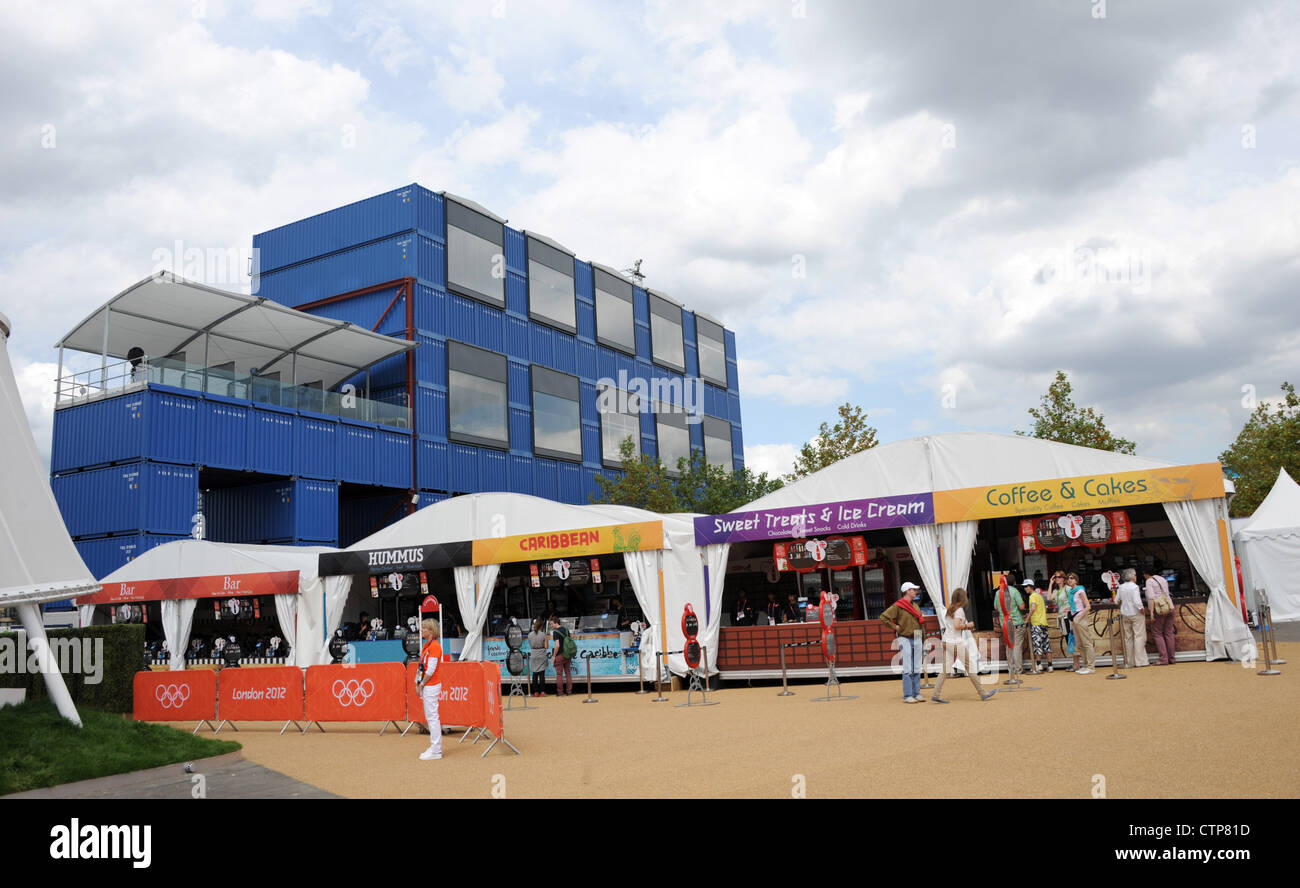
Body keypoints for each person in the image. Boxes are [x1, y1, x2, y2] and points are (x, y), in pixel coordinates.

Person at [931, 588, 996, 703]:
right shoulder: (959, 610)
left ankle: (936, 694)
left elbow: (952, 625)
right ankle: (982, 692)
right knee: (970, 667)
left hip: (947, 640)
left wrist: (966, 626)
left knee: (945, 669)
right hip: (956, 642)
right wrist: (968, 625)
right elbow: (957, 625)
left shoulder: (950, 609)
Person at [880, 582, 926, 703]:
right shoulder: (898, 606)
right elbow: (884, 617)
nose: (915, 592)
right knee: (908, 668)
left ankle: (916, 693)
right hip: (905, 637)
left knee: (916, 667)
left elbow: (921, 624)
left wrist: (923, 639)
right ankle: (908, 695)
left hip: (916, 637)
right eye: (913, 590)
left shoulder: (915, 605)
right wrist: (895, 627)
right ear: (907, 591)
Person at [416, 617, 443, 761]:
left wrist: (421, 684)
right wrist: (419, 683)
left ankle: (436, 749)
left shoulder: (434, 646)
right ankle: (434, 747)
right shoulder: (428, 645)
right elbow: (423, 667)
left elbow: (431, 669)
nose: (422, 630)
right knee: (431, 717)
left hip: (431, 685)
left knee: (432, 717)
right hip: (429, 685)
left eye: (424, 628)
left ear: (431, 631)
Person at [994, 578, 1030, 682]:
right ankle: (1018, 669)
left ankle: (1011, 670)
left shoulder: (997, 593)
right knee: (1017, 645)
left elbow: (996, 607)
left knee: (1008, 646)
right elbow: (1022, 606)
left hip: (1004, 623)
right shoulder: (1014, 591)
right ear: (1014, 582)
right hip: (1016, 622)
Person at [1116, 568, 1150, 667]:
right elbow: (1137, 601)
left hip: (1125, 614)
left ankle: (1129, 661)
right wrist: (1142, 609)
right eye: (1135, 575)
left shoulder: (1120, 587)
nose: (1136, 576)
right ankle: (1140, 661)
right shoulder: (1134, 587)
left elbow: (1116, 600)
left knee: (1128, 638)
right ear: (1132, 577)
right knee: (1139, 636)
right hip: (1135, 613)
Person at [1144, 569, 1176, 665]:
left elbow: (1151, 597)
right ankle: (1172, 658)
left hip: (1160, 609)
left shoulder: (1149, 581)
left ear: (1146, 574)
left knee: (1157, 633)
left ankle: (1163, 659)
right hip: (1170, 606)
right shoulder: (1162, 579)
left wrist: (1152, 613)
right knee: (1169, 633)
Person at [1049, 571, 1075, 669]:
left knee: (1071, 638)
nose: (1057, 579)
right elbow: (1049, 598)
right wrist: (1050, 584)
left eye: (1059, 577)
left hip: (1068, 616)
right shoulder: (1056, 591)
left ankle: (1076, 663)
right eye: (1055, 577)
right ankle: (1074, 662)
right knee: (1067, 638)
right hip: (1061, 617)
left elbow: (1074, 600)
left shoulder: (1067, 589)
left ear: (1064, 578)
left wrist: (1071, 608)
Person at [1071, 576, 1096, 673]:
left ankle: (1090, 666)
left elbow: (1088, 606)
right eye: (1068, 578)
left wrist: (1079, 617)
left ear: (1076, 580)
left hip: (1080, 617)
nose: (1070, 580)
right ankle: (1086, 664)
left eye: (1072, 578)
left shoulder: (1080, 591)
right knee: (1080, 643)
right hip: (1075, 617)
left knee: (1086, 642)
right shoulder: (1072, 592)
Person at [1027, 581, 1051, 673]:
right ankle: (1050, 666)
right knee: (1047, 644)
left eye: (1026, 587)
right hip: (1043, 622)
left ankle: (1039, 664)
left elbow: (1033, 608)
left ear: (1030, 587)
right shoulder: (1039, 596)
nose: (1025, 589)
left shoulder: (1032, 596)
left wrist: (1027, 618)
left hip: (1036, 622)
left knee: (1037, 644)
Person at [550, 616, 574, 696]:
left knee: (559, 674)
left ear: (556, 623)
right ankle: (569, 691)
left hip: (559, 655)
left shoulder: (555, 632)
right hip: (567, 654)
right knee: (568, 673)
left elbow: (557, 645)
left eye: (552, 624)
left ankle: (560, 692)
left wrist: (554, 656)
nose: (551, 626)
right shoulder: (566, 630)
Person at [528, 617, 549, 697]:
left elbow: (530, 645)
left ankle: (536, 692)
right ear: (541, 626)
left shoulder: (530, 635)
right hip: (542, 654)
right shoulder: (543, 635)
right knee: (542, 674)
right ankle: (543, 692)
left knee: (535, 674)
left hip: (534, 654)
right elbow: (546, 646)